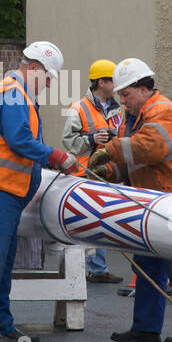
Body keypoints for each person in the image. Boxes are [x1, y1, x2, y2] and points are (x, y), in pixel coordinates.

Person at [0, 42, 77, 342]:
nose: (49, 84)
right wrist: (57, 157)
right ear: (35, 69)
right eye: (48, 78)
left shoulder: (15, 92)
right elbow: (19, 141)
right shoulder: (13, 93)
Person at [93, 58, 172, 342]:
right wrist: (108, 171)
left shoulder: (162, 111)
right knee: (147, 268)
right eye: (120, 95)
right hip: (154, 204)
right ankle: (146, 329)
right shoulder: (134, 117)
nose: (122, 100)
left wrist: (109, 151)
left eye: (126, 94)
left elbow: (149, 148)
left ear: (143, 89)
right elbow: (133, 163)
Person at [62, 59, 124, 284]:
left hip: (106, 174)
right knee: (86, 223)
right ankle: (90, 269)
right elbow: (68, 141)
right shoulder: (78, 108)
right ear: (100, 82)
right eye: (112, 81)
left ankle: (97, 268)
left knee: (101, 221)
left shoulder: (118, 109)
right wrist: (91, 139)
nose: (116, 86)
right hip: (83, 175)